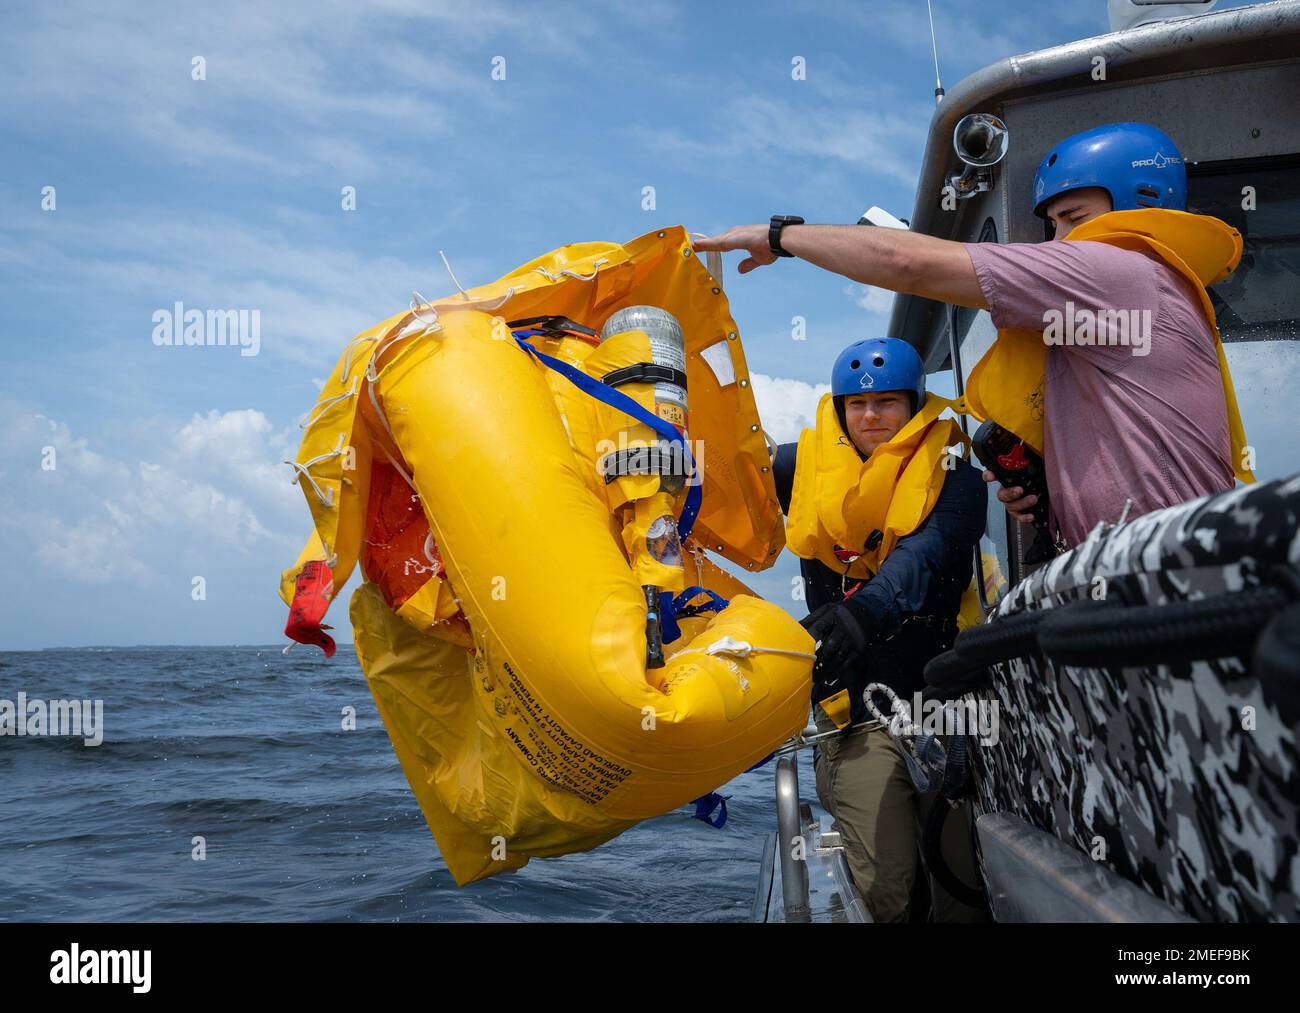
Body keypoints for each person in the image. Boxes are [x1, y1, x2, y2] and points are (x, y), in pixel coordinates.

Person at [697, 122, 1252, 551]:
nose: (1058, 242)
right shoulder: (1125, 299)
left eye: (1073, 217)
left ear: (1143, 200)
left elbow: (903, 261)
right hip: (1132, 568)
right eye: (1051, 226)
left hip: (1165, 574)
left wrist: (781, 235)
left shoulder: (1121, 272)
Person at [772, 336, 986, 922]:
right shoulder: (797, 469)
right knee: (882, 886)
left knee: (963, 885)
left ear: (914, 405)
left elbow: (931, 554)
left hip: (948, 709)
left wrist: (864, 611)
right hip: (856, 713)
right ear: (839, 408)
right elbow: (724, 493)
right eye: (857, 404)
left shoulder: (957, 480)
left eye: (888, 402)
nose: (871, 417)